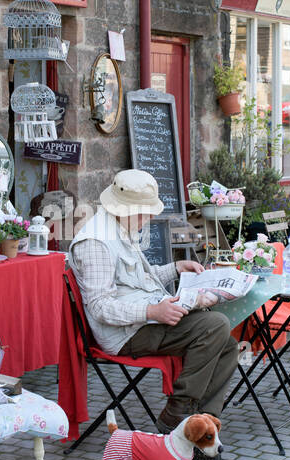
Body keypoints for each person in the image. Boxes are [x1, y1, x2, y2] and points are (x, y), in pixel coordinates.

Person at [69, 169, 239, 440]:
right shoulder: (96, 243)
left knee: (227, 346)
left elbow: (137, 279)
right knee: (215, 325)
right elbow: (100, 307)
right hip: (125, 333)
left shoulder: (118, 226)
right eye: (145, 213)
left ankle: (203, 425)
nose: (149, 219)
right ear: (126, 208)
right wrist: (152, 311)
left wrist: (176, 268)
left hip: (144, 319)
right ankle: (177, 413)